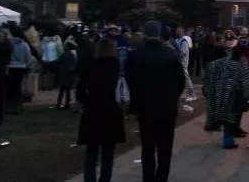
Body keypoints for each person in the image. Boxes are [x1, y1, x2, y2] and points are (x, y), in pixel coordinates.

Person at [126, 20, 185, 182]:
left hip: (145, 107)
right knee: (165, 147)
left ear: (145, 33)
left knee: (148, 147)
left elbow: (131, 80)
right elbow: (180, 81)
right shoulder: (170, 53)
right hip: (166, 107)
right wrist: (173, 97)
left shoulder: (137, 54)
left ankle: (148, 177)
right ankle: (161, 177)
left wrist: (137, 98)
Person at [76, 39, 125, 182]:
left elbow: (80, 91)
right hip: (112, 110)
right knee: (108, 152)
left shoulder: (91, 65)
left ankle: (89, 179)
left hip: (93, 110)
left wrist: (88, 101)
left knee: (91, 151)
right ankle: (105, 179)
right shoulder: (117, 65)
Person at [203, 42, 249, 149]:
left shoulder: (222, 62)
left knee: (224, 116)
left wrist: (209, 86)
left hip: (219, 93)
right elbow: (247, 84)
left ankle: (227, 138)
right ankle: (227, 141)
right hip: (233, 96)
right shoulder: (241, 66)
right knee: (230, 118)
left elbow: (210, 68)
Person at [6, 28, 31, 114]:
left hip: (10, 66)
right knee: (17, 87)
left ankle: (9, 106)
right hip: (21, 67)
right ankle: (18, 106)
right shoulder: (24, 45)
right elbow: (28, 57)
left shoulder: (9, 44)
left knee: (10, 88)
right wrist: (27, 65)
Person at [56, 36, 78, 109]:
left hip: (63, 73)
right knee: (68, 90)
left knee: (62, 90)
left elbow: (58, 62)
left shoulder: (63, 54)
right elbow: (75, 63)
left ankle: (59, 103)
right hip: (70, 74)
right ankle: (67, 104)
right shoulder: (72, 55)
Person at [176, 26, 196, 102]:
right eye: (177, 30)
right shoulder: (177, 40)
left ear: (182, 32)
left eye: (179, 31)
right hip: (178, 62)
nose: (177, 32)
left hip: (183, 62)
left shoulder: (184, 41)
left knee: (186, 79)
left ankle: (192, 95)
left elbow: (183, 53)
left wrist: (175, 54)